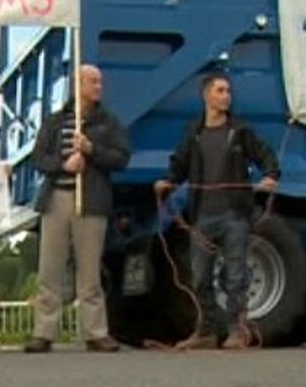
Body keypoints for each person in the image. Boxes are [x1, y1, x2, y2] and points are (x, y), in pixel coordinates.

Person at [153, 72, 280, 350]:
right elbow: (180, 162)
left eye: (228, 91)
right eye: (220, 91)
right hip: (202, 216)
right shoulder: (194, 132)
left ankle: (237, 331)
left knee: (235, 275)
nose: (226, 96)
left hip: (235, 215)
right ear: (206, 95)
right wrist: (169, 181)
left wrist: (271, 175)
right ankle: (207, 332)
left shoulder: (240, 130)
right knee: (199, 277)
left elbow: (264, 154)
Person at [25, 64, 130, 353]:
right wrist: (63, 165)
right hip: (56, 199)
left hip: (91, 201)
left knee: (89, 271)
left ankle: (95, 332)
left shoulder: (108, 122)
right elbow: (39, 158)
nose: (98, 86)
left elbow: (121, 158)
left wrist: (92, 150)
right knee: (50, 269)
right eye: (93, 81)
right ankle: (43, 332)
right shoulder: (56, 121)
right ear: (78, 84)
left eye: (100, 81)